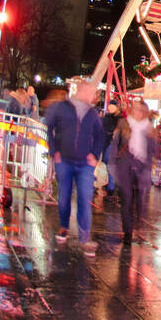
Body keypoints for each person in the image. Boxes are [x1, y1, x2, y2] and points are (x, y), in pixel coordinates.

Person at [44, 78, 106, 257]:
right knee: (63, 197)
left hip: (84, 164)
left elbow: (100, 136)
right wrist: (54, 150)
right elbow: (49, 128)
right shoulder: (63, 108)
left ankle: (85, 237)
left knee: (85, 198)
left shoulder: (93, 113)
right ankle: (64, 227)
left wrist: (94, 154)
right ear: (79, 91)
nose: (91, 96)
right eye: (89, 92)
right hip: (64, 159)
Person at [111, 98, 158, 244]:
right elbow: (115, 145)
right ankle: (127, 231)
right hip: (125, 166)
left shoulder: (150, 129)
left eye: (140, 109)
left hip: (141, 168)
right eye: (135, 108)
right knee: (126, 199)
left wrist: (149, 166)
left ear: (144, 112)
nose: (137, 112)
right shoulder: (123, 124)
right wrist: (113, 164)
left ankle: (138, 225)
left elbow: (154, 150)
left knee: (139, 201)